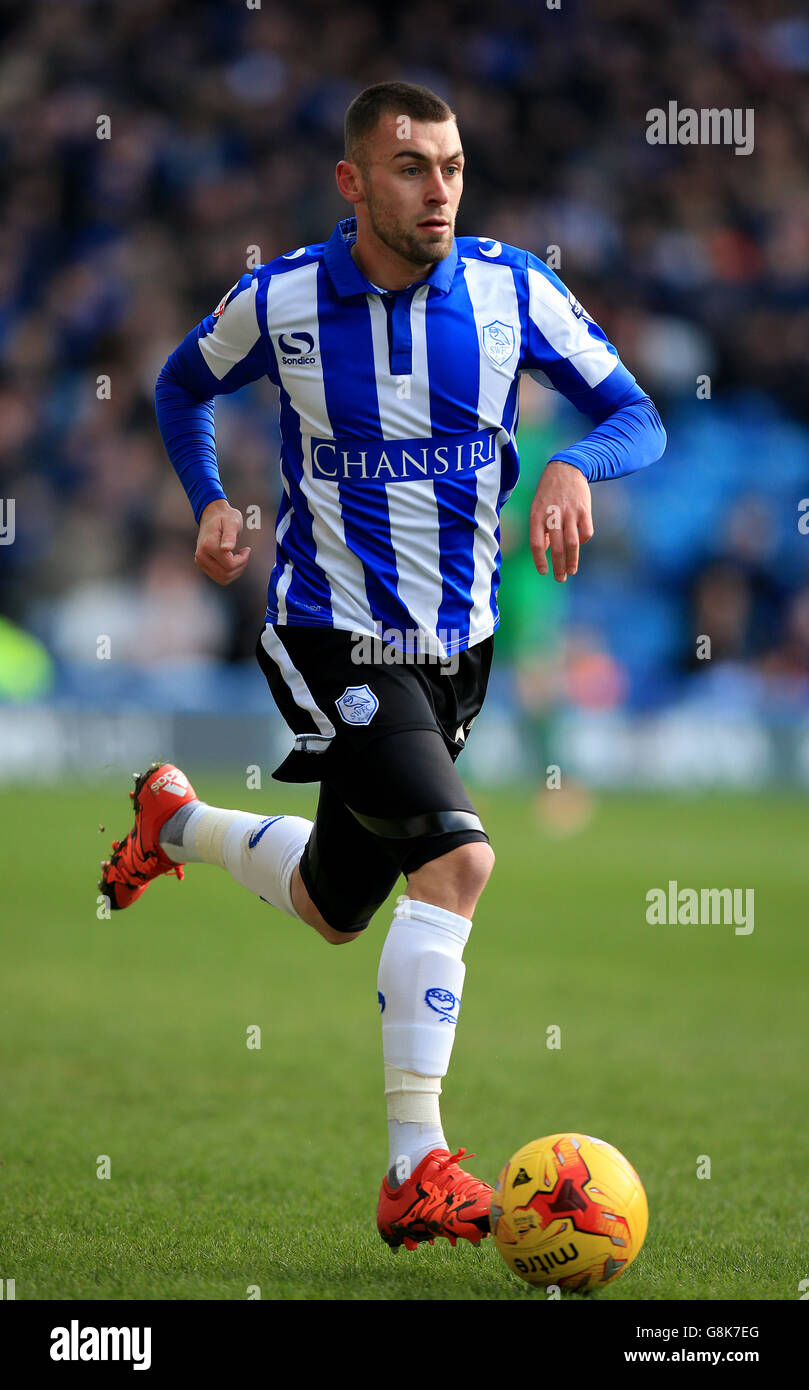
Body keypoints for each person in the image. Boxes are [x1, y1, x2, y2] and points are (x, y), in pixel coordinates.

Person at [100, 81, 666, 1252]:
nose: (440, 189)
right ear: (354, 183)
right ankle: (416, 1162)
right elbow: (178, 383)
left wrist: (574, 470)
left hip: (456, 651)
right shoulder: (285, 298)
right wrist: (208, 501)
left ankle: (174, 824)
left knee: (332, 905)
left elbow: (633, 413)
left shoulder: (515, 288)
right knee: (457, 861)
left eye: (452, 165)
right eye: (412, 168)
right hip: (330, 635)